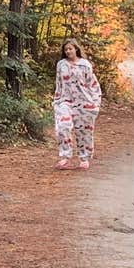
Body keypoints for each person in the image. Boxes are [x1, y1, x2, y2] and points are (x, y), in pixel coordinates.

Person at [54, 38, 102, 170]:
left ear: (76, 49)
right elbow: (58, 83)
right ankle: (65, 157)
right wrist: (57, 100)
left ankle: (84, 158)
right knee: (63, 126)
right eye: (66, 49)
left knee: (84, 131)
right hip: (65, 100)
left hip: (84, 101)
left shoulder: (85, 65)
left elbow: (92, 84)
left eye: (70, 48)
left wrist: (95, 102)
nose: (68, 51)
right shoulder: (61, 65)